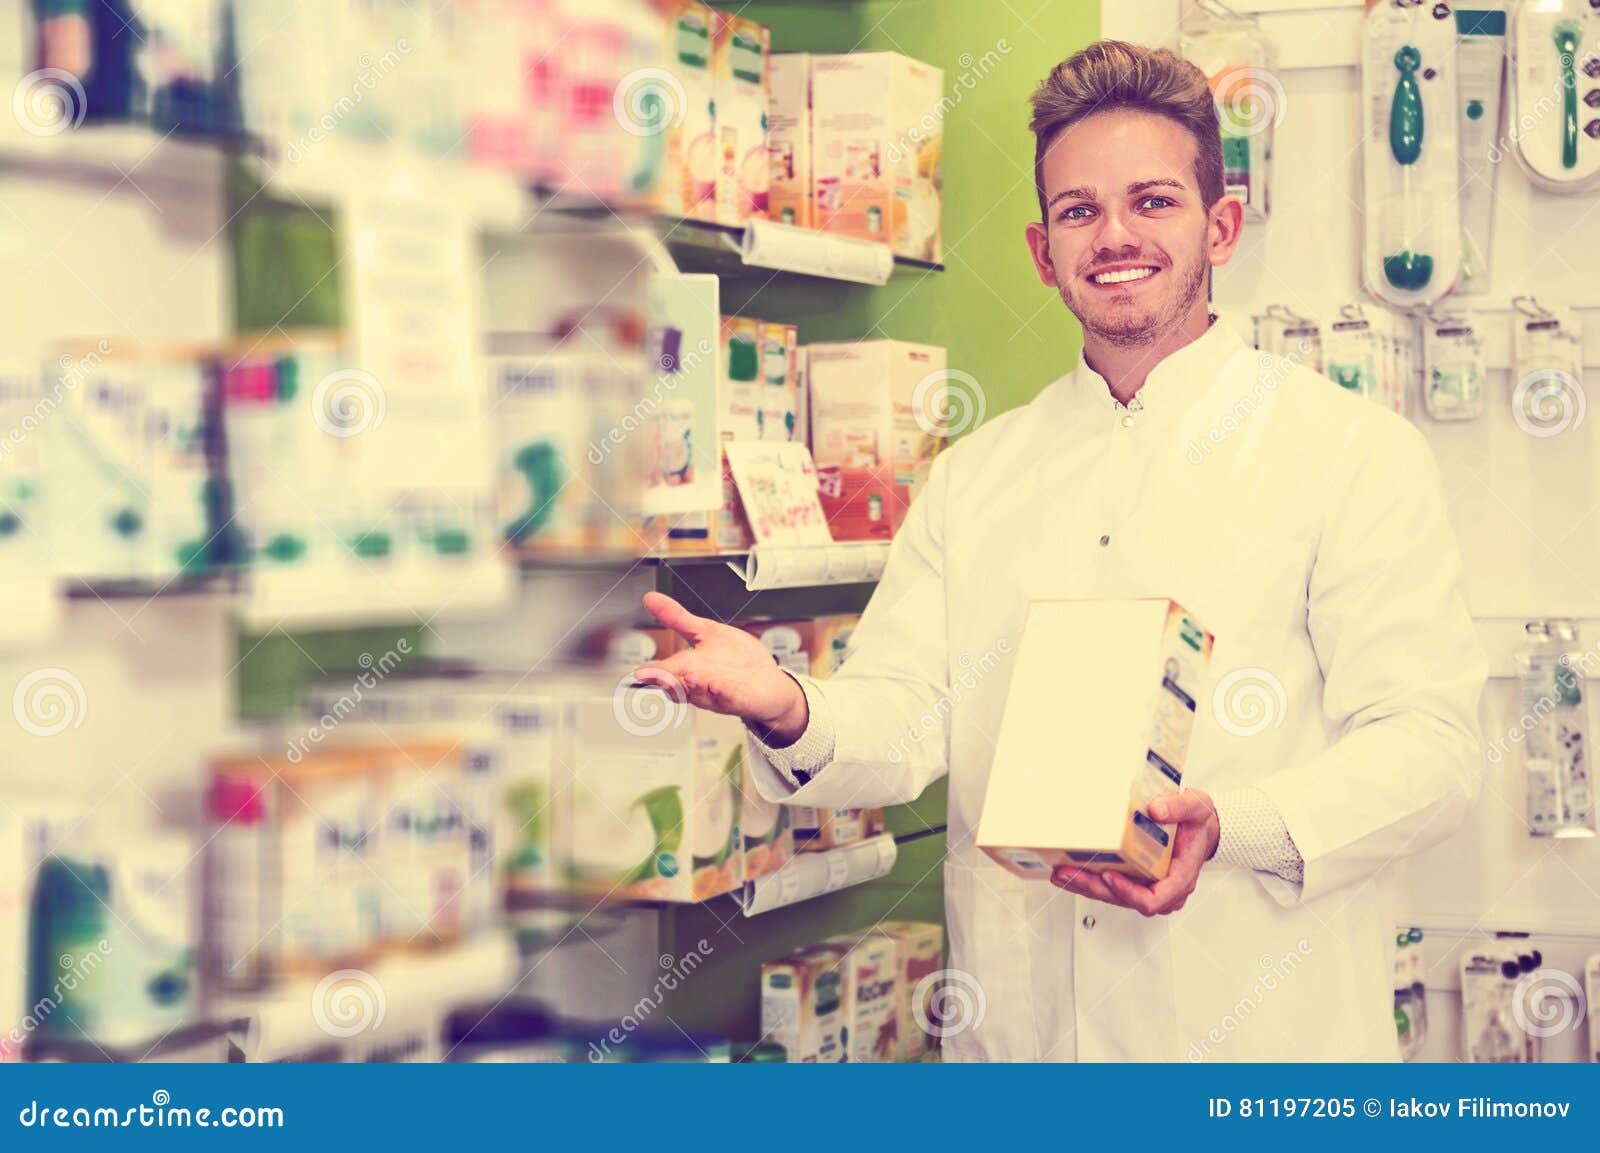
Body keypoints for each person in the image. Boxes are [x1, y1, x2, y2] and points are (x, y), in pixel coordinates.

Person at [634, 41, 1486, 1061]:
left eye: (1152, 202)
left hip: (1259, 1047)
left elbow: (1433, 749)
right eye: (1079, 211)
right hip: (1025, 1046)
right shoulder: (978, 472)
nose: (1114, 235)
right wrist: (788, 702)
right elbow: (908, 714)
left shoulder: (1349, 453)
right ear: (1043, 253)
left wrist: (1231, 822)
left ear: (1220, 226)